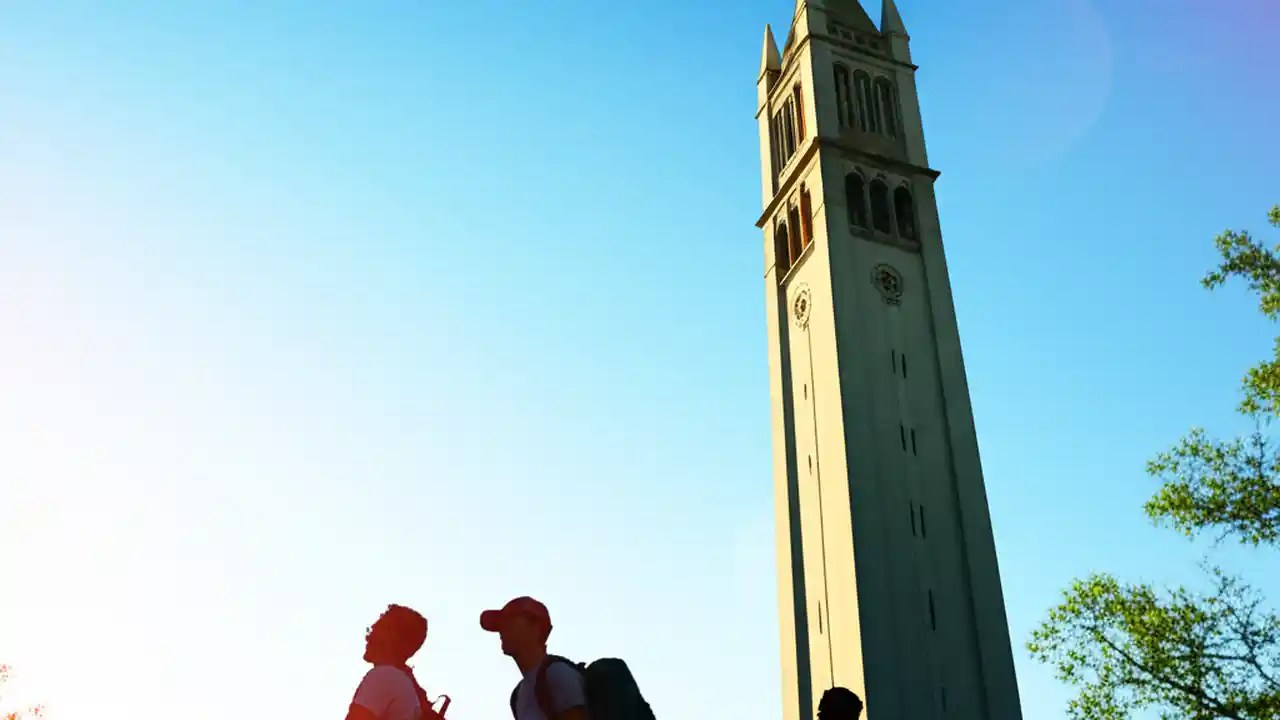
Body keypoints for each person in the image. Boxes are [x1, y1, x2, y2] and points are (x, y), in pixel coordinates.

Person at [480, 596, 589, 720]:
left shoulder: (557, 673)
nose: (501, 630)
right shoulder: (517, 695)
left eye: (509, 622)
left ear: (535, 628)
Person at [346, 604, 433, 720]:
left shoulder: (384, 676)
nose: (368, 637)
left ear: (391, 638)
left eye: (375, 630)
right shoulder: (405, 684)